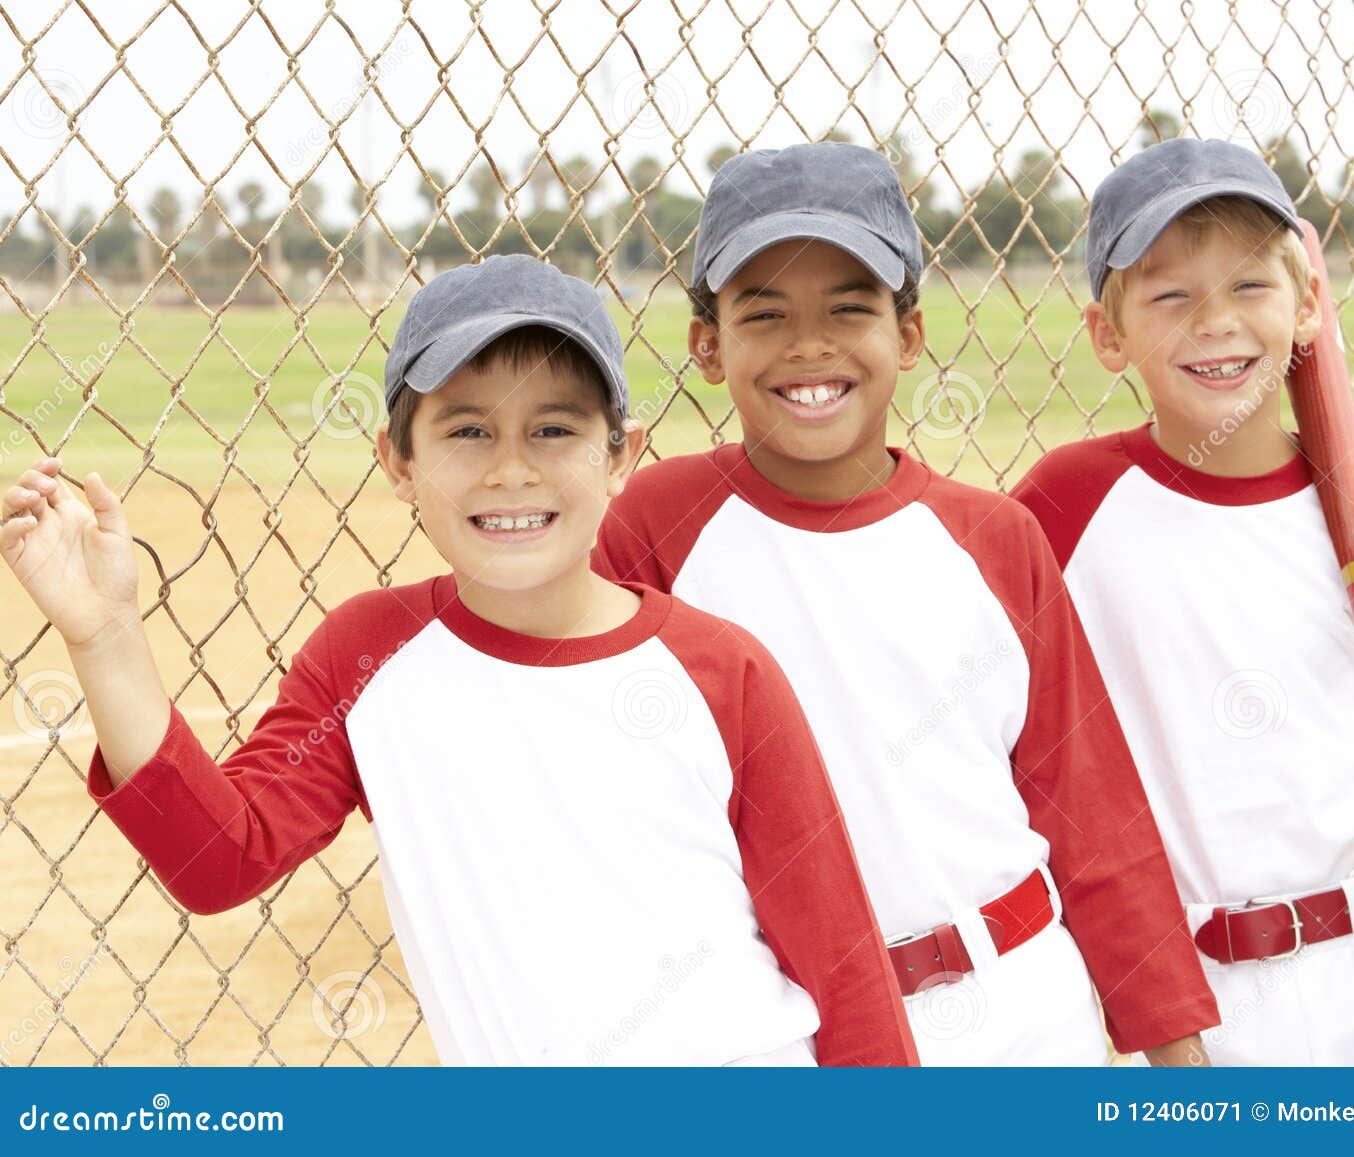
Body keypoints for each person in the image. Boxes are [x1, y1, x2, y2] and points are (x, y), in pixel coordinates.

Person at [0, 255, 917, 1068]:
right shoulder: (369, 656)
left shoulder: (722, 670)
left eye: (554, 429)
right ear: (397, 461)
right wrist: (105, 634)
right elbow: (216, 858)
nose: (510, 469)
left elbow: (841, 960)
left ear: (619, 456)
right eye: (467, 431)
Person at [594, 142, 1219, 1065]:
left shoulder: (993, 538)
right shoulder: (661, 523)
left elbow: (1091, 813)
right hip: (800, 1022)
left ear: (911, 335)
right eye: (765, 315)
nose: (811, 346)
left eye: (850, 310)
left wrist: (1176, 1055)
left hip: (1022, 1005)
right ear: (709, 346)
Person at [1010, 138, 1354, 1064]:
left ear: (1307, 307)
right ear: (1108, 334)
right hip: (1214, 993)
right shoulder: (1064, 508)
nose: (1216, 322)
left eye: (1250, 287)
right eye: (1170, 296)